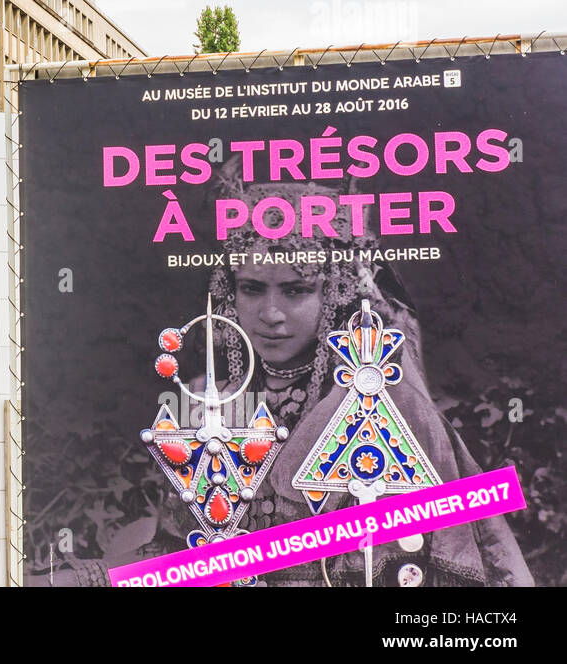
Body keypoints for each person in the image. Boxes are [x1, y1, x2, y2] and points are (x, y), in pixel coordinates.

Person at [52, 173, 532, 587]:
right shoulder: (206, 398)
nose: (271, 315)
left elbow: (411, 569)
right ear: (229, 293)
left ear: (337, 292)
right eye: (252, 289)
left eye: (297, 291)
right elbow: (183, 554)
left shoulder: (388, 406)